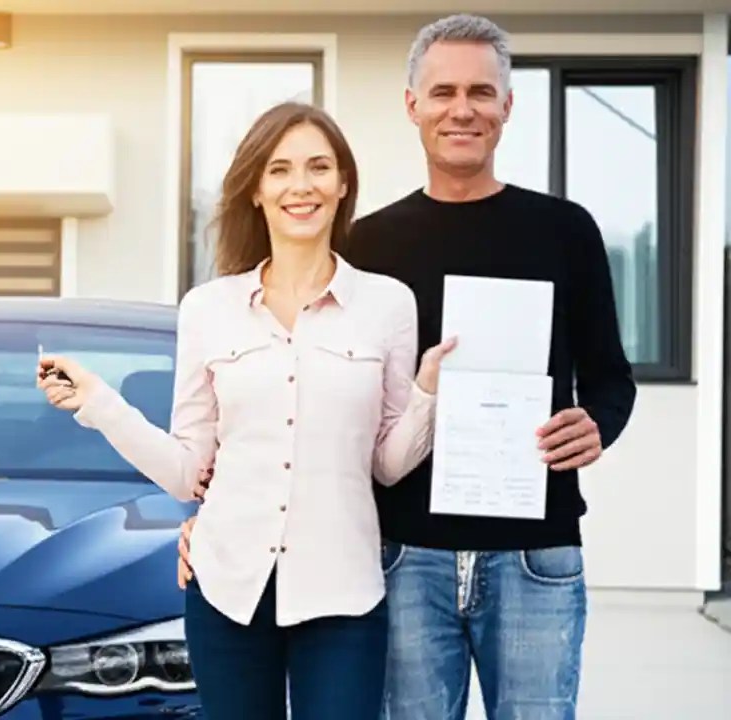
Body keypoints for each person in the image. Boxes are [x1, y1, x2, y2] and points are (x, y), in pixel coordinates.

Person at [177, 13, 637, 720]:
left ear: (507, 107)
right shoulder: (368, 247)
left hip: (534, 554)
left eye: (482, 93)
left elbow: (611, 377)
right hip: (403, 555)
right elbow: (295, 399)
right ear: (412, 105)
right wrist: (219, 522)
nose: (463, 109)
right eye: (444, 91)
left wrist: (598, 424)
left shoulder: (565, 231)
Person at [37, 102, 456, 719]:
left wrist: (427, 391)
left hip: (342, 593)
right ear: (257, 190)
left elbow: (388, 465)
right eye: (280, 170)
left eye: (319, 167)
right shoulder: (208, 308)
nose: (301, 185)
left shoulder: (388, 305)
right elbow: (187, 471)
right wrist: (99, 403)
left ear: (343, 184)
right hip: (228, 589)